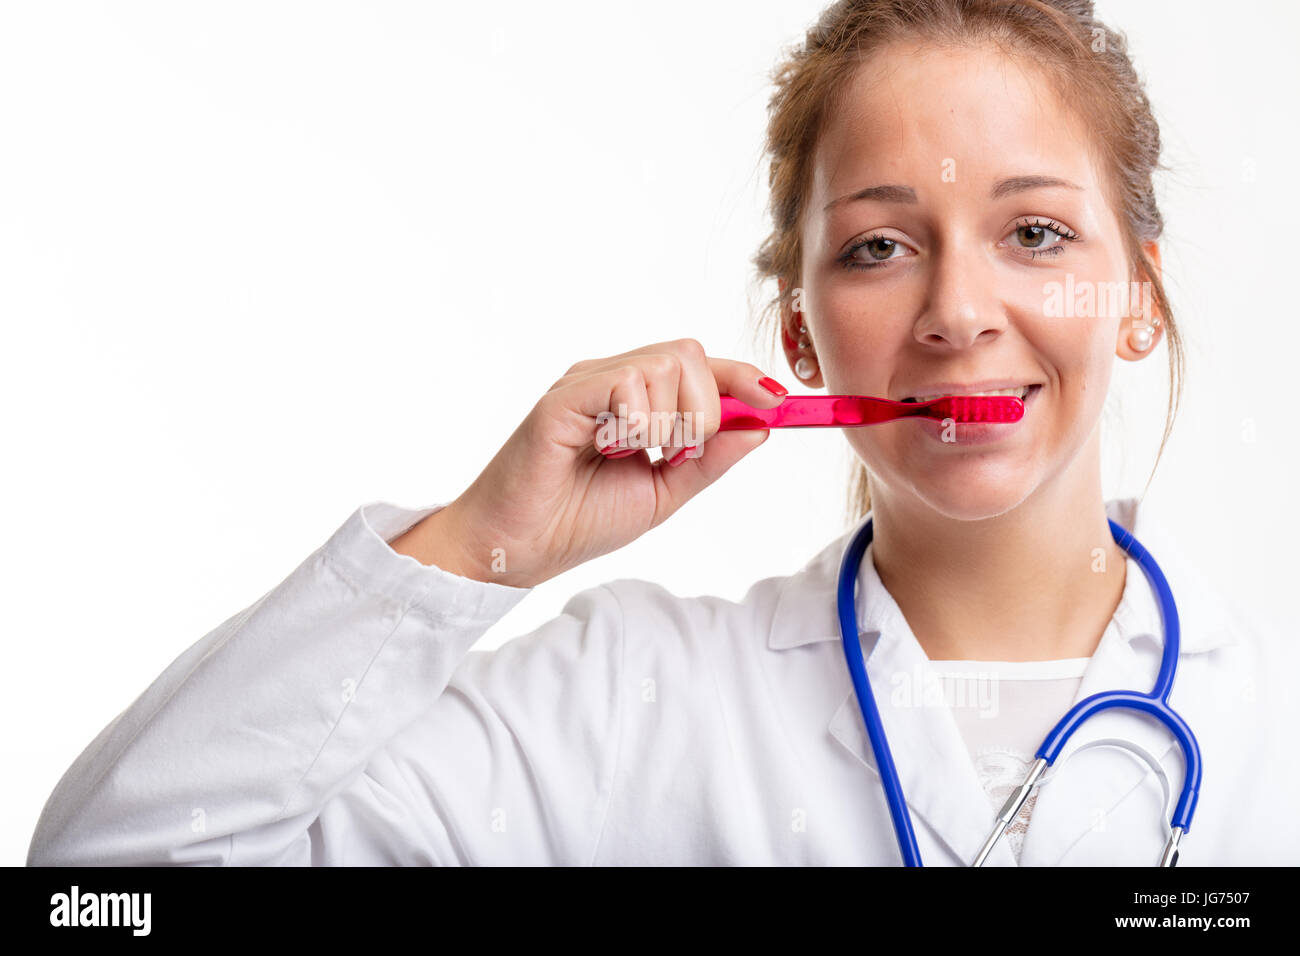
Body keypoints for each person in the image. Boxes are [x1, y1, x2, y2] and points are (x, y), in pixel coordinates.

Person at [27, 0, 1297, 867]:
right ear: (800, 336)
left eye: (1034, 234)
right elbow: (113, 874)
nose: (957, 311)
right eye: (877, 247)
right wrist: (485, 542)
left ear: (1137, 297)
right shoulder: (629, 701)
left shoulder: (1272, 725)